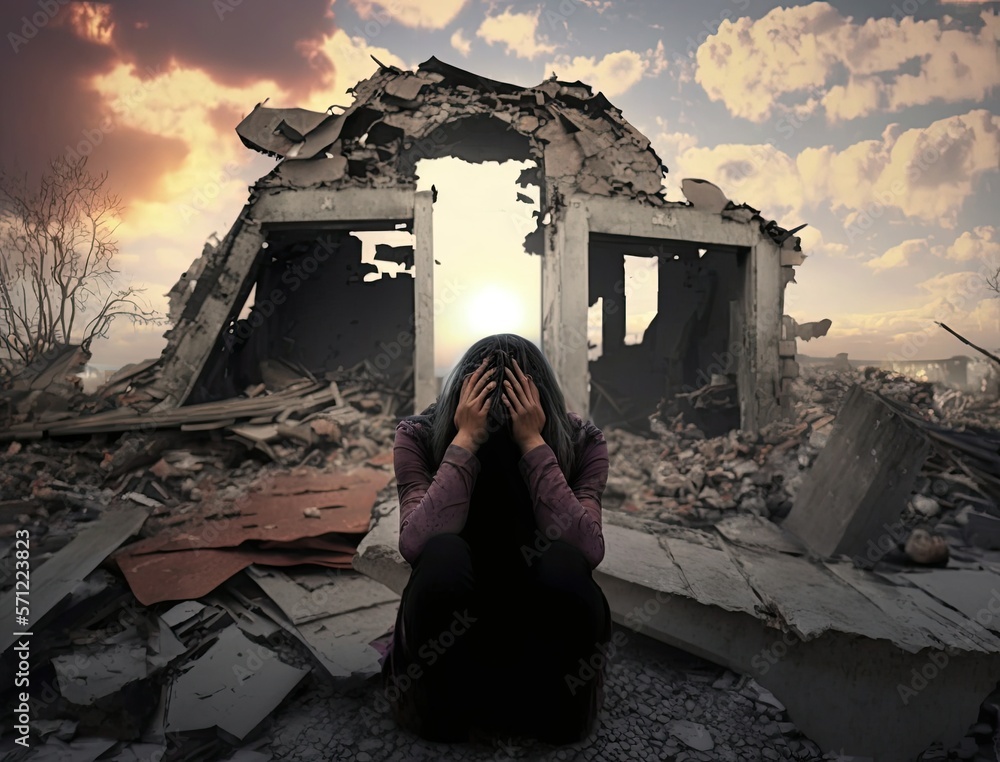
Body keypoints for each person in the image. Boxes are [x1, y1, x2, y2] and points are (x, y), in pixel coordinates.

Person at [380, 333, 613, 745]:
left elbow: (587, 549)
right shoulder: (417, 435)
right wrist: (466, 440)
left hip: (537, 631)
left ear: (540, 407)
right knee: (441, 555)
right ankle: (440, 714)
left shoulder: (583, 441)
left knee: (564, 560)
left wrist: (533, 443)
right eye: (489, 419)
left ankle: (554, 714)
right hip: (456, 633)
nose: (500, 431)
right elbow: (415, 542)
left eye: (513, 416)